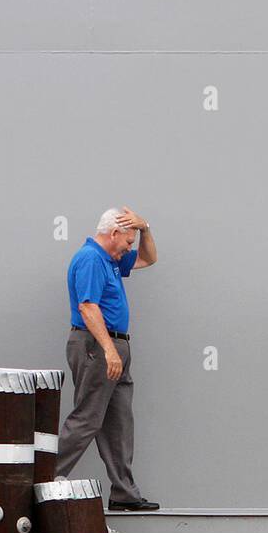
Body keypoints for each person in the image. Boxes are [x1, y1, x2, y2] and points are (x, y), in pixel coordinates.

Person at [55, 206, 159, 511]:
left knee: (119, 422)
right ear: (113, 233)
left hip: (115, 346)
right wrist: (109, 351)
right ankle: (43, 478)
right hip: (97, 346)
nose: (128, 249)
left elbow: (149, 258)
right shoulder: (91, 258)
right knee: (87, 417)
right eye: (127, 242)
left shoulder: (111, 259)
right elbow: (88, 308)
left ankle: (123, 493)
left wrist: (145, 228)